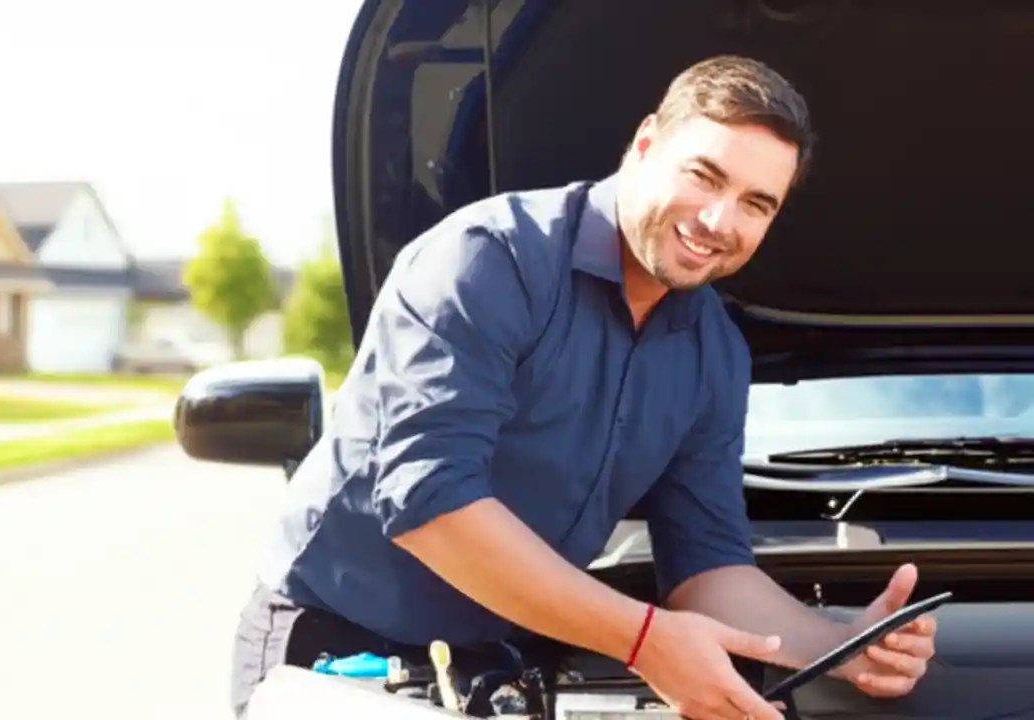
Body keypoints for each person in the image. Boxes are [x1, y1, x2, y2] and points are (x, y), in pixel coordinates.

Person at [231, 55, 938, 719]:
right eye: (704, 176)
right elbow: (429, 501)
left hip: (498, 662)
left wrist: (837, 645)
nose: (719, 221)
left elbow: (708, 565)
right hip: (335, 649)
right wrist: (643, 640)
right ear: (645, 144)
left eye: (757, 203)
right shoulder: (490, 261)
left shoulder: (715, 351)